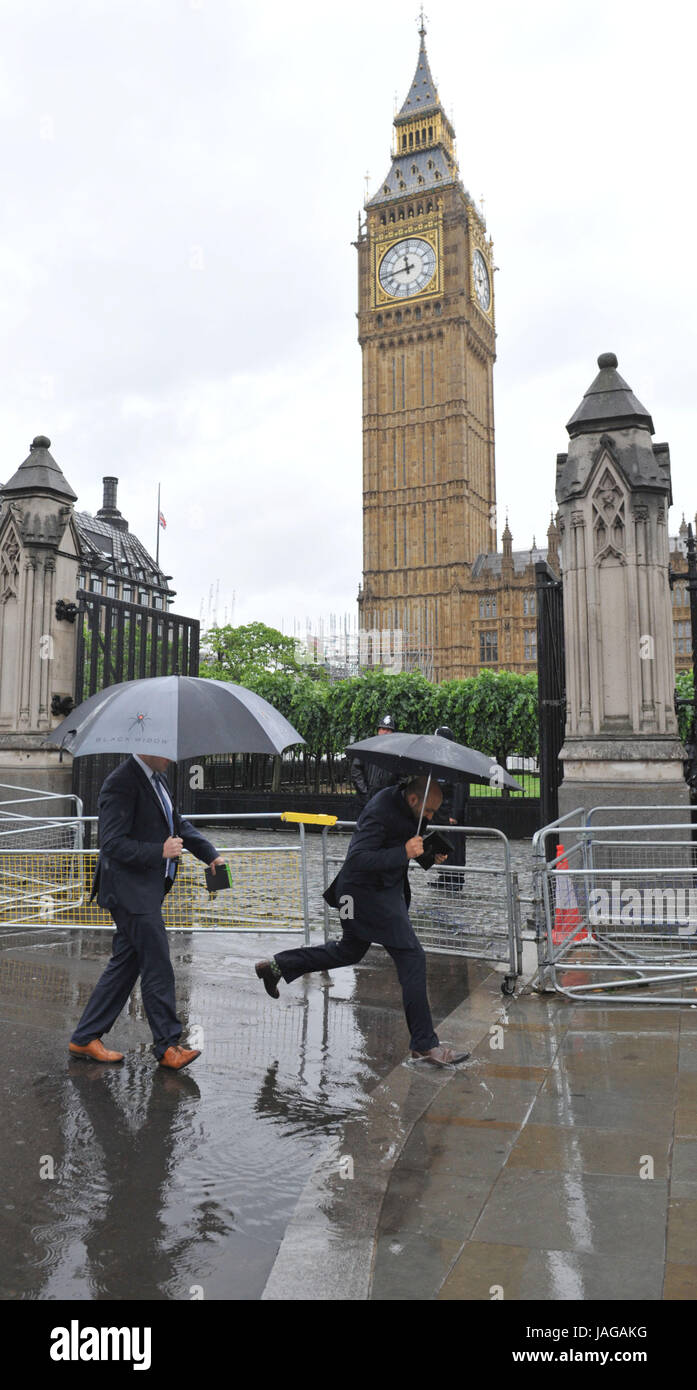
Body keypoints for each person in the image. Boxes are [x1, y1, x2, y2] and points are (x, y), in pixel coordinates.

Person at [255, 776, 470, 1067]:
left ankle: (276, 966)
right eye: (429, 811)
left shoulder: (413, 811)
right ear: (413, 800)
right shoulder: (380, 809)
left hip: (381, 893)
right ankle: (423, 1045)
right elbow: (358, 859)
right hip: (358, 895)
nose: (431, 818)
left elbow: (406, 843)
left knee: (349, 950)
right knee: (412, 957)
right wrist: (404, 852)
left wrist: (429, 854)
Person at [69, 753, 224, 1069]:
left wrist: (210, 854)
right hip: (128, 892)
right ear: (146, 746)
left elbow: (176, 824)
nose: (172, 757)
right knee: (157, 964)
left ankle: (85, 1038)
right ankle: (168, 1046)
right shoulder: (120, 783)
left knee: (126, 964)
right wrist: (159, 851)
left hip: (145, 890)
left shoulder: (158, 778)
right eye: (166, 750)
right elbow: (111, 843)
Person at [430, 725, 468, 891]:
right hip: (440, 812)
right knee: (440, 846)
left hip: (451, 814)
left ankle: (456, 879)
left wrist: (455, 813)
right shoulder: (439, 758)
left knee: (455, 847)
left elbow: (460, 789)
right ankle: (444, 876)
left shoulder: (457, 760)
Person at [350, 713, 400, 811]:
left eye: (389, 730)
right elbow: (356, 770)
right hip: (366, 800)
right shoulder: (367, 747)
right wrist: (365, 792)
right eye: (383, 729)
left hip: (388, 800)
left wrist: (393, 793)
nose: (385, 732)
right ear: (378, 731)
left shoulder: (397, 752)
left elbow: (402, 776)